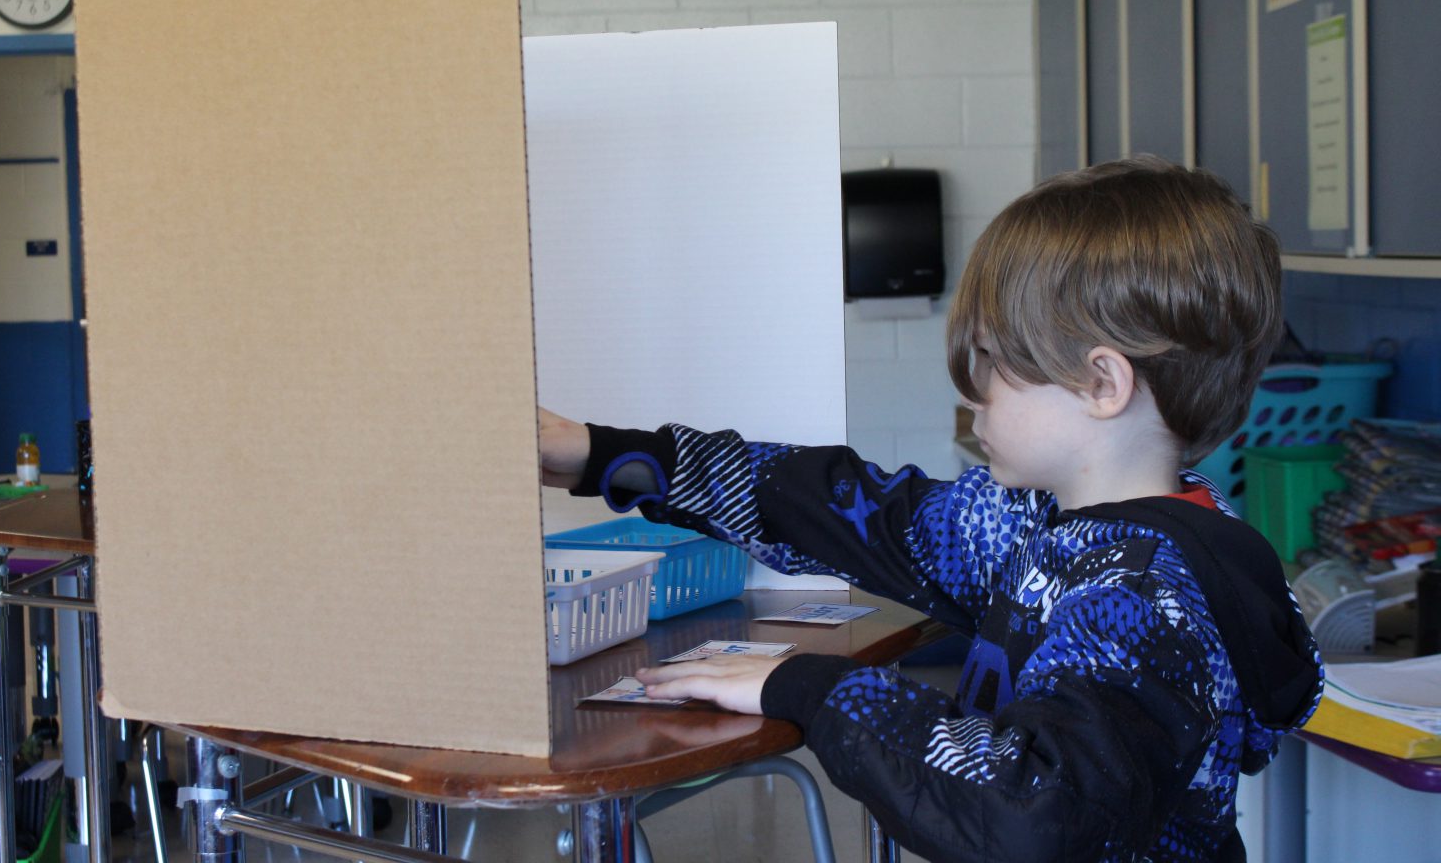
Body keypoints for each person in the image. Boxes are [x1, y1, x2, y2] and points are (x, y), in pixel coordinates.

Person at [537, 156, 1323, 863]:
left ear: (1101, 385)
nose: (970, 395)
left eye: (996, 364)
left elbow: (1033, 809)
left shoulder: (1147, 596)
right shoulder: (1035, 523)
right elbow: (836, 508)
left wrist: (809, 687)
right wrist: (603, 454)